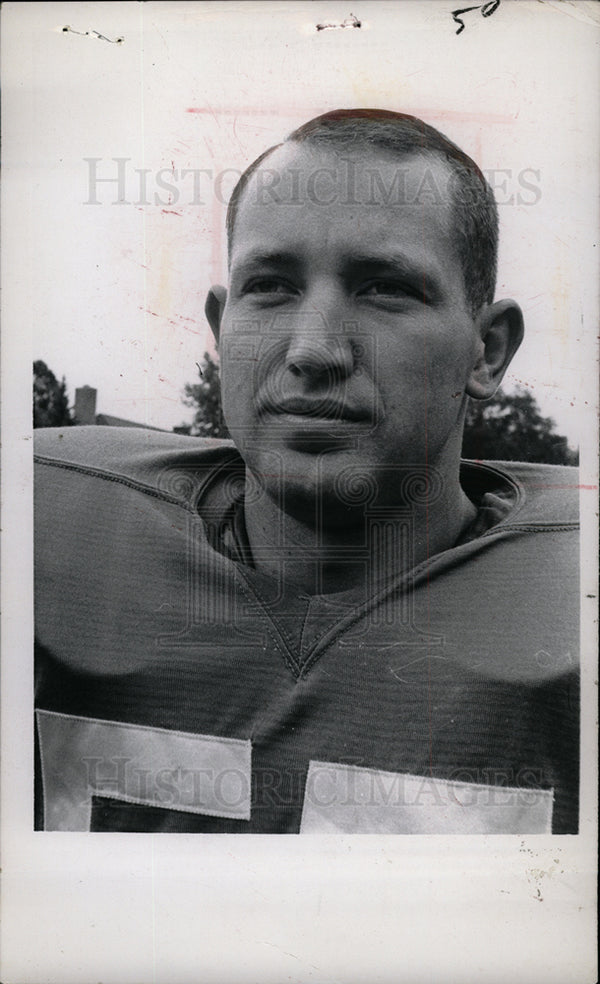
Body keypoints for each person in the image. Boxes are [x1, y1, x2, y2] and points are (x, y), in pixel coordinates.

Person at [34, 109, 579, 834]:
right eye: (271, 286)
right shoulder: (42, 534)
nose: (314, 350)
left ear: (488, 350)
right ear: (221, 329)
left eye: (384, 288)